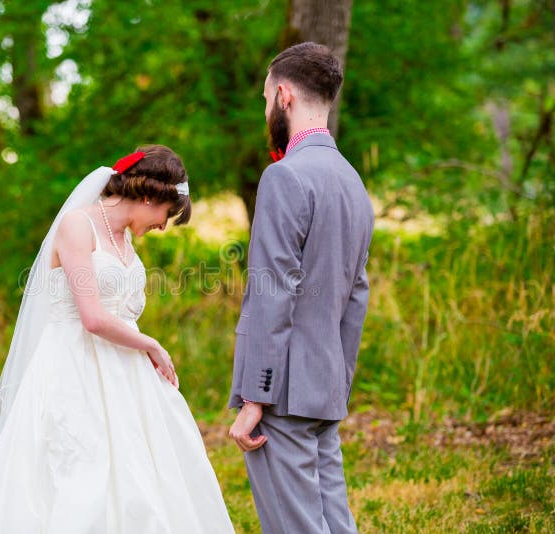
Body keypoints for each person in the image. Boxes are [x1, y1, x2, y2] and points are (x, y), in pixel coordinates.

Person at [0, 145, 234, 533]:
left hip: (124, 374)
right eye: (165, 214)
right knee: (81, 472)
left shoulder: (123, 238)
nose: (163, 225)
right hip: (75, 368)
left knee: (141, 471)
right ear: (147, 196)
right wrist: (151, 345)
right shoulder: (77, 226)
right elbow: (91, 317)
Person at [228, 42, 374, 533]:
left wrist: (255, 398)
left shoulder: (284, 176)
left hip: (283, 394)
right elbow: (357, 293)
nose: (266, 109)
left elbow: (273, 292)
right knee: (334, 520)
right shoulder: (353, 182)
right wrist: (338, 379)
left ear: (284, 95)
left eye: (266, 98)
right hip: (324, 385)